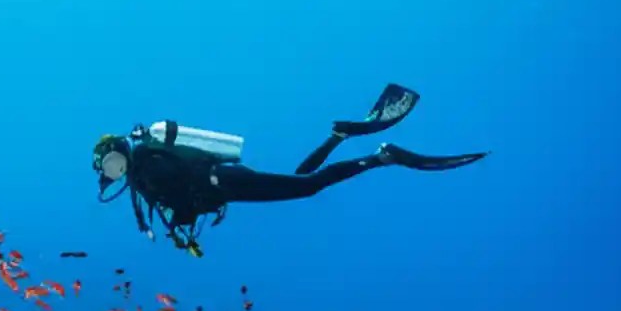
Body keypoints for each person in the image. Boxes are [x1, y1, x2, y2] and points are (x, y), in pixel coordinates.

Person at [91, 84, 488, 257]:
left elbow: (182, 195)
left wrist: (183, 218)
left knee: (309, 187)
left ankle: (383, 156)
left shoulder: (148, 162)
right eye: (107, 169)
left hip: (226, 182)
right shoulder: (141, 173)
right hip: (228, 185)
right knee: (301, 180)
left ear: (118, 152)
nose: (112, 171)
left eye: (110, 162)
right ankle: (337, 137)